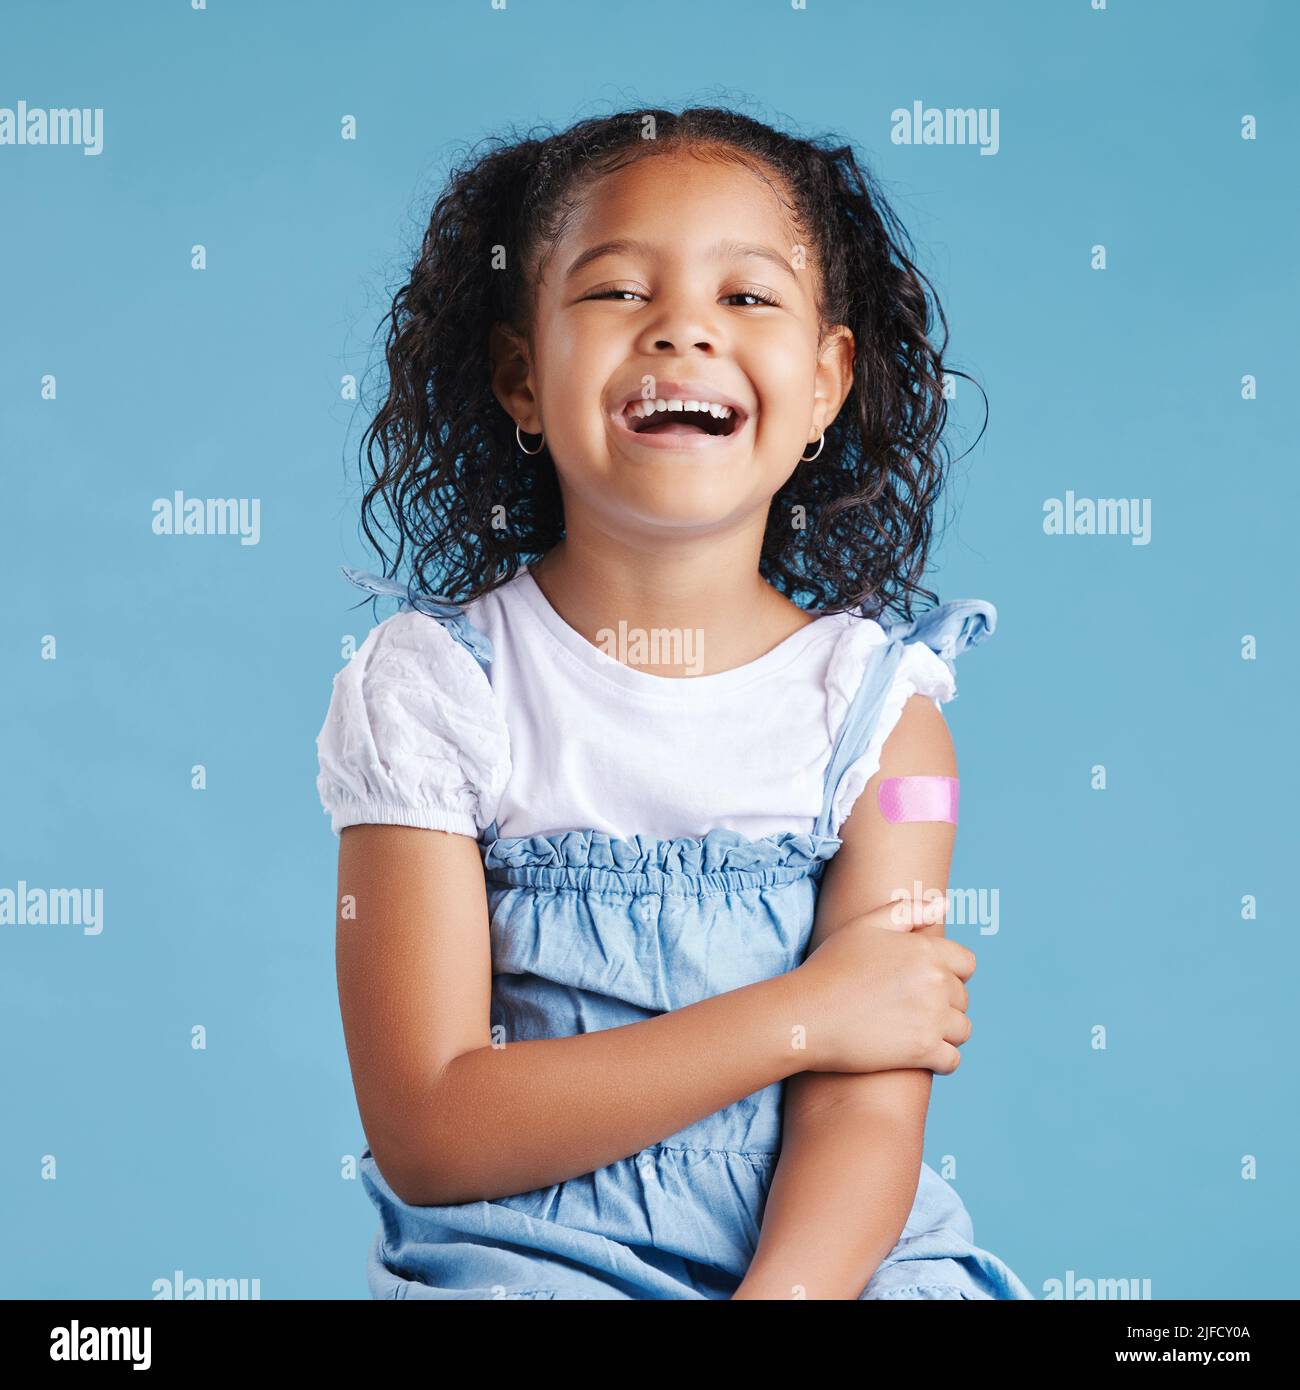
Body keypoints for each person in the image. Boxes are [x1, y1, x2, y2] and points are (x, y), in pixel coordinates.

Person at [315, 105, 1033, 1300]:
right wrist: (809, 1009)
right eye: (614, 294)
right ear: (521, 377)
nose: (683, 330)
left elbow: (868, 1100)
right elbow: (433, 1128)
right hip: (536, 1257)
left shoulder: (887, 722)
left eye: (747, 299)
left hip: (827, 1260)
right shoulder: (435, 692)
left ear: (822, 384)